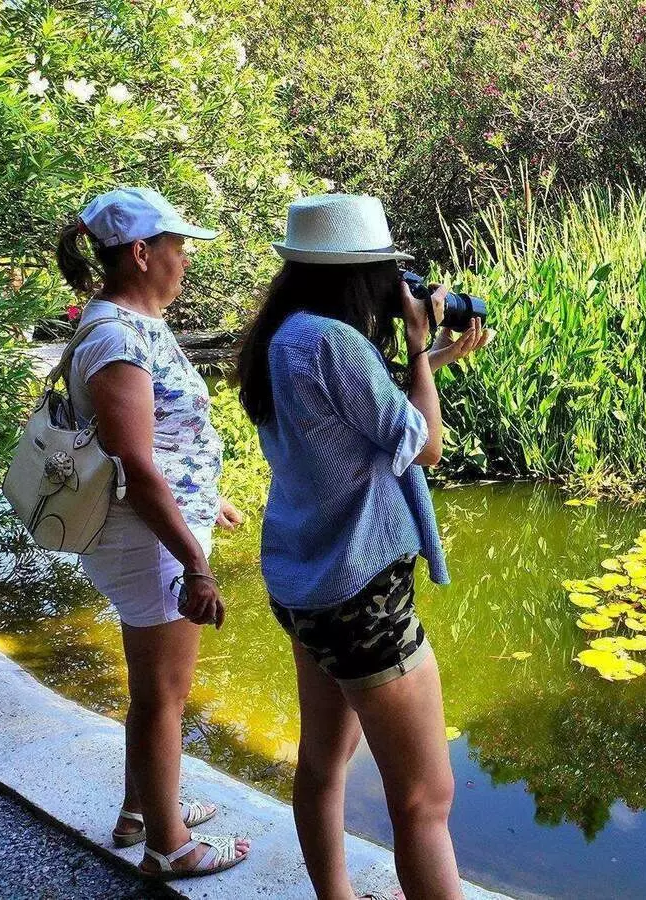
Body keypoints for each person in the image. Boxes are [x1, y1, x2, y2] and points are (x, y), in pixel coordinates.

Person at [236, 193, 490, 900]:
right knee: (425, 798)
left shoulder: (283, 337)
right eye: (386, 273)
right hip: (361, 594)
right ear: (360, 273)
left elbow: (360, 416)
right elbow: (426, 446)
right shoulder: (334, 342)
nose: (393, 289)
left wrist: (431, 359)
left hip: (307, 584)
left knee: (323, 765)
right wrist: (416, 347)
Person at [56, 187, 251, 879]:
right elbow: (135, 466)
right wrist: (195, 561)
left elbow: (156, 440)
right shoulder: (116, 337)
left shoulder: (131, 323)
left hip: (156, 528)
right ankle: (170, 847)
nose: (186, 261)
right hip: (149, 540)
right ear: (141, 253)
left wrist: (208, 495)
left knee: (152, 688)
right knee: (165, 694)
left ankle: (142, 810)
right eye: (178, 247)